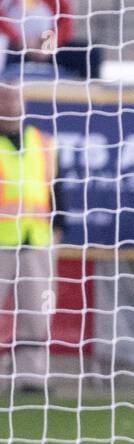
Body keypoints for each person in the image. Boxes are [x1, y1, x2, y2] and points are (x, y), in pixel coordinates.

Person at [0, 82, 58, 392]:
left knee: (36, 314)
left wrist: (56, 233)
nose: (10, 104)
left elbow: (56, 192)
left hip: (35, 241)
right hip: (1, 242)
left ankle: (31, 378)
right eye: (4, 98)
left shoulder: (42, 143)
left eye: (14, 98)